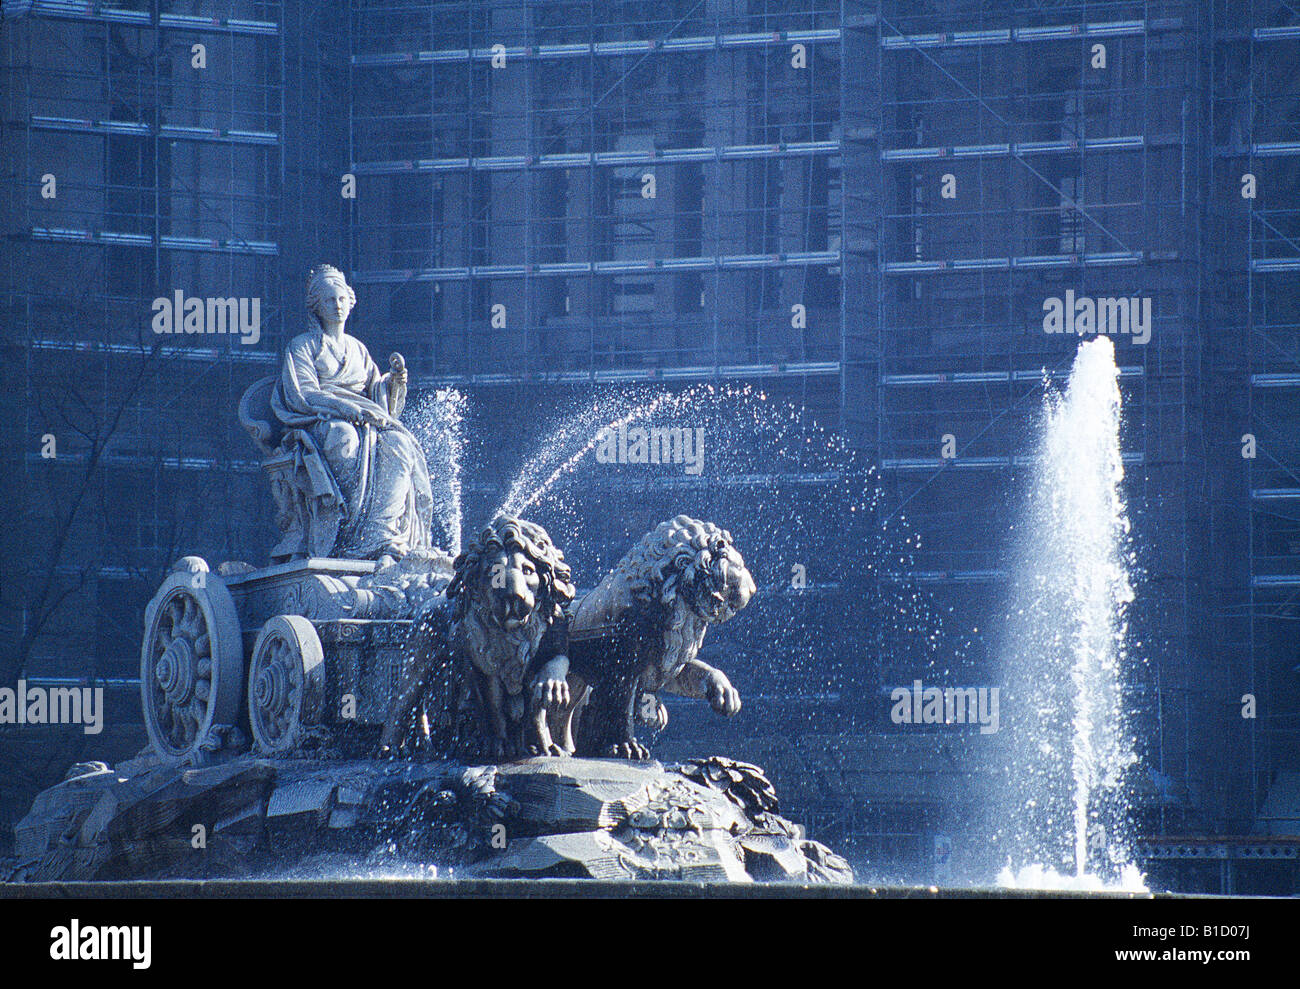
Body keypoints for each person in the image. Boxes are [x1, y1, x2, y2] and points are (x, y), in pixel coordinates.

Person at [271, 264, 435, 562]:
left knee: (399, 444)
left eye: (341, 299)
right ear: (316, 306)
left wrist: (394, 382)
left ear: (350, 301)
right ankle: (345, 533)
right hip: (319, 422)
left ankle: (378, 531)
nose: (337, 306)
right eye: (329, 300)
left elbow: (379, 398)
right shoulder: (301, 347)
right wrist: (346, 407)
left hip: (365, 421)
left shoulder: (358, 349)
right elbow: (302, 393)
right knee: (345, 440)